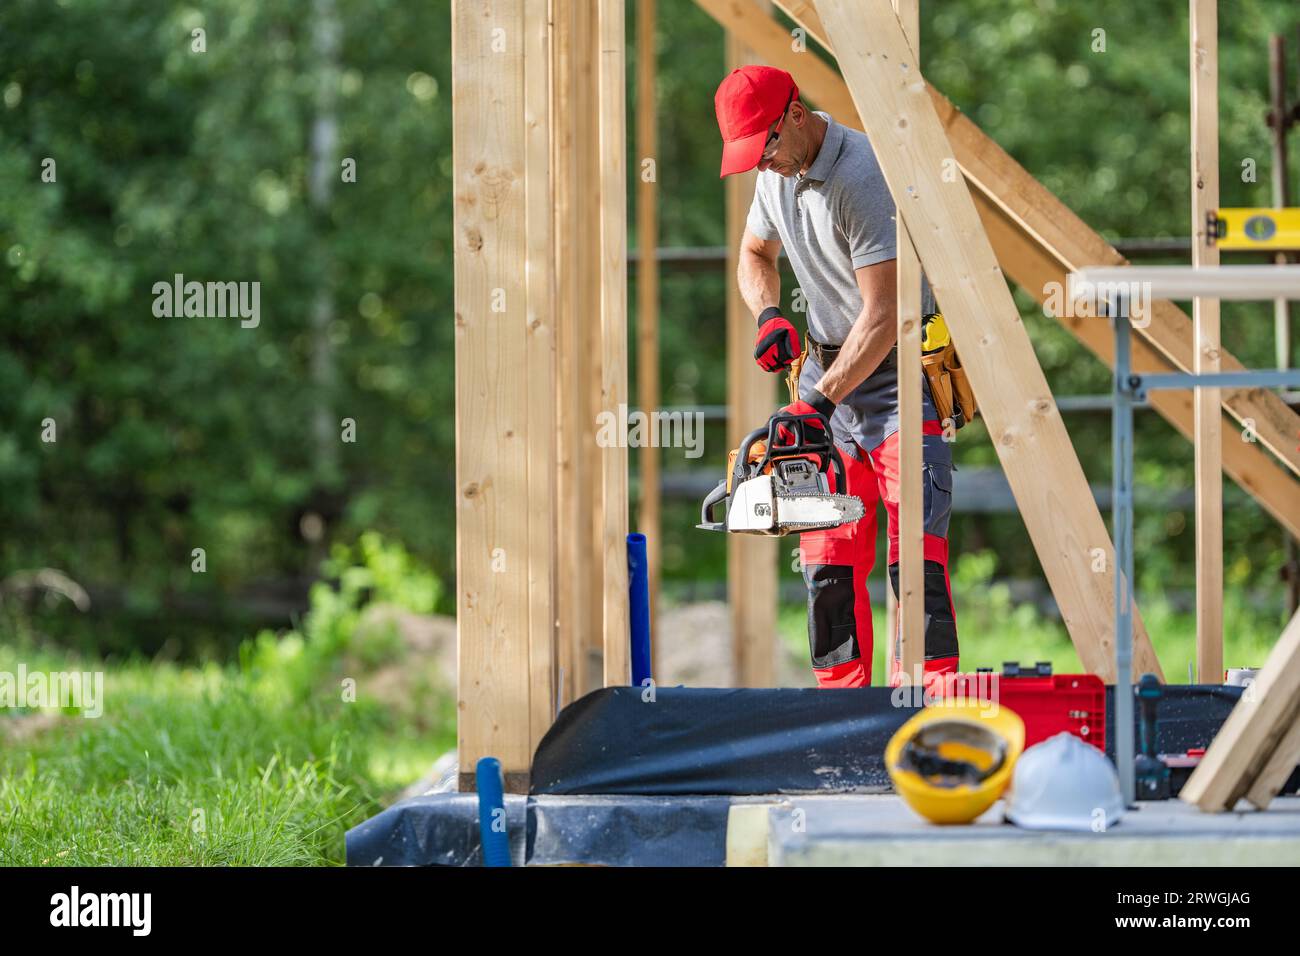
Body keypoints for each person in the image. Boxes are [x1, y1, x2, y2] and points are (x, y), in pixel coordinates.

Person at [716, 64, 959, 689]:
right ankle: (841, 715)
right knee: (829, 559)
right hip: (825, 376)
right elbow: (753, 253)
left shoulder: (862, 175)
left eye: (764, 146)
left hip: (897, 374)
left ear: (796, 114)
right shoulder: (776, 173)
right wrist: (768, 313)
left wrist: (817, 406)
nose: (760, 164)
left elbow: (886, 317)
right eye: (748, 155)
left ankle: (926, 713)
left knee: (916, 558)